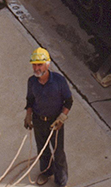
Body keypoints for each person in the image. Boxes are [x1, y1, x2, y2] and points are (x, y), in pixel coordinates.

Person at [24, 48, 72, 187]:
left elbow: (68, 101)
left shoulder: (59, 81)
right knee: (42, 149)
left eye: (39, 64)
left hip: (55, 122)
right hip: (38, 120)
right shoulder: (32, 81)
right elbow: (30, 100)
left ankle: (60, 181)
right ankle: (46, 172)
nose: (36, 68)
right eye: (34, 64)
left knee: (58, 152)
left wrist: (62, 117)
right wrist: (28, 115)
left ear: (47, 64)